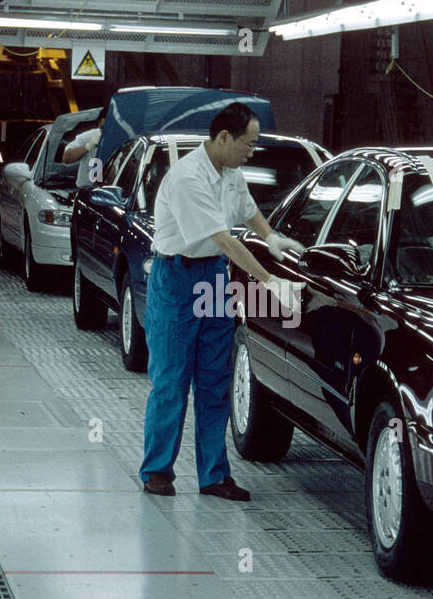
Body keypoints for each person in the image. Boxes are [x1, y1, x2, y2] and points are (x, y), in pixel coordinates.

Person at [139, 102, 303, 501]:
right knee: (172, 382)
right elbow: (225, 240)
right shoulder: (188, 178)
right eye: (247, 143)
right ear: (224, 137)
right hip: (177, 278)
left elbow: (248, 214)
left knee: (215, 381)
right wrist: (268, 281)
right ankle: (157, 470)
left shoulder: (231, 173)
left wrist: (271, 237)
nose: (251, 151)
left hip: (213, 276)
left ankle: (213, 475)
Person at [61, 108, 106, 188]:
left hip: (110, 193)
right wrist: (88, 146)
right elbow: (66, 158)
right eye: (102, 128)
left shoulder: (124, 138)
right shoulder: (89, 136)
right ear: (98, 124)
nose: (105, 132)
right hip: (85, 191)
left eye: (108, 128)